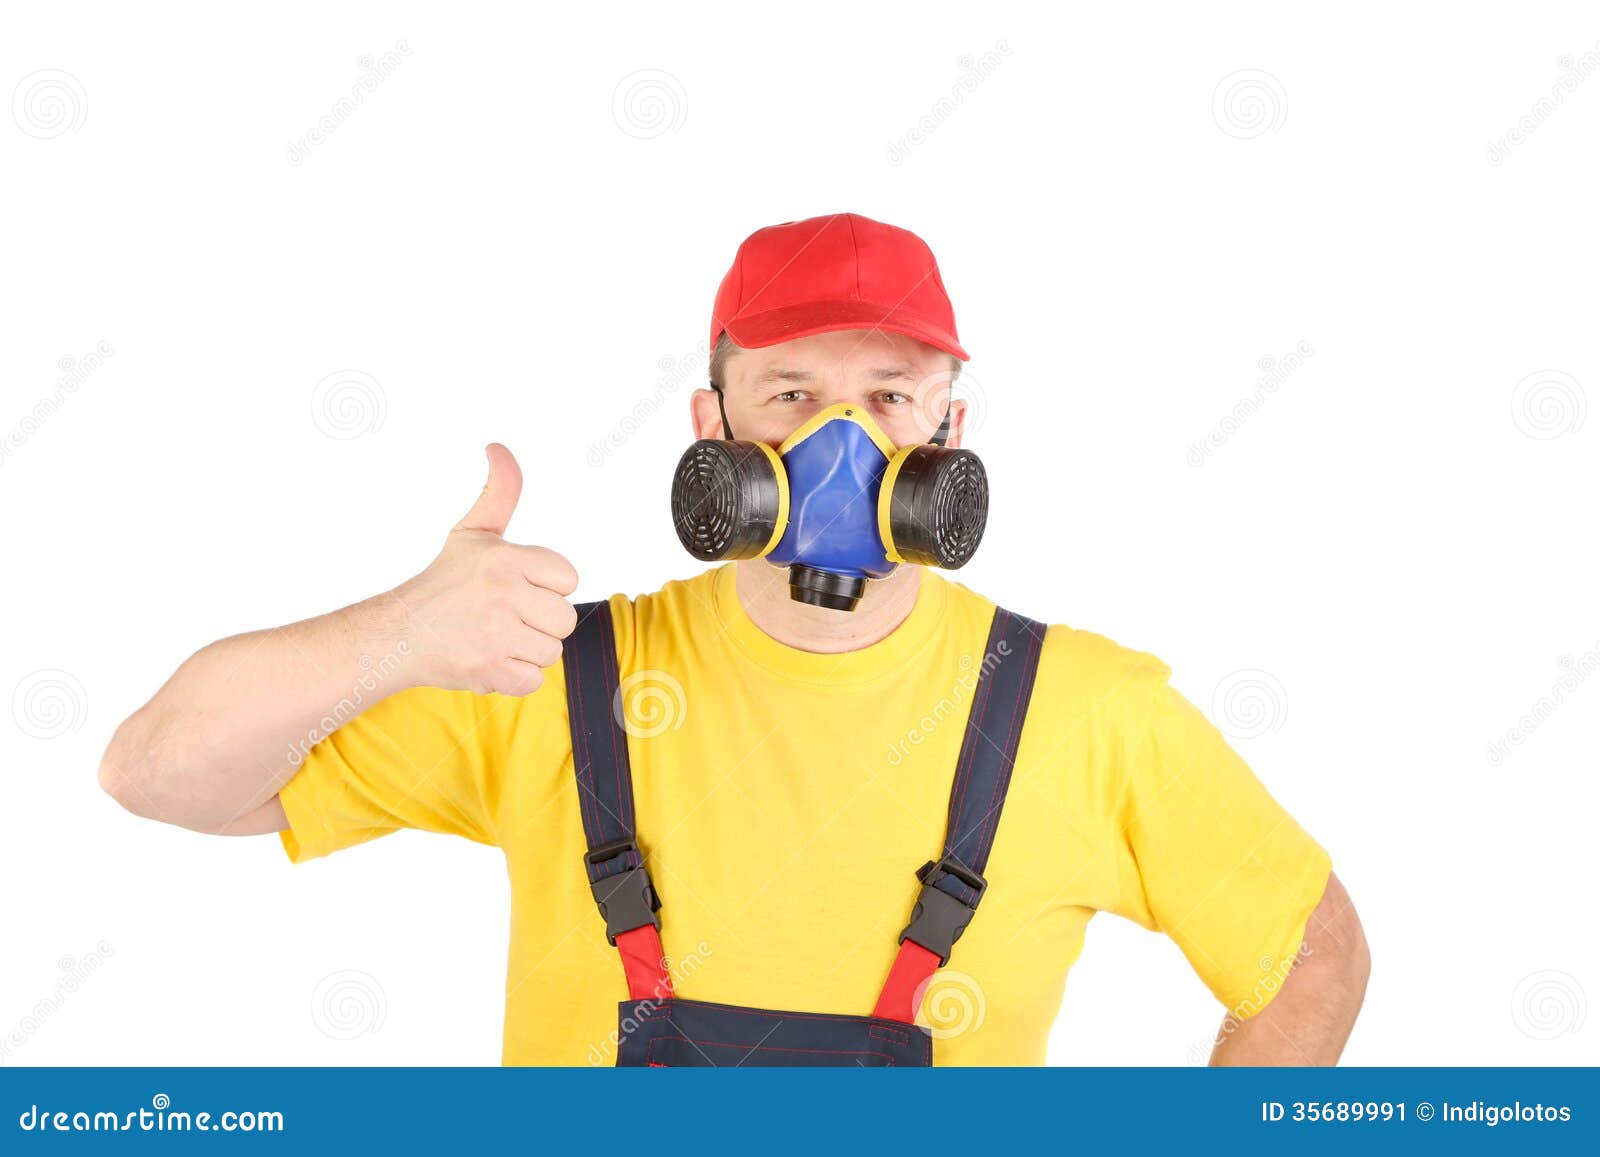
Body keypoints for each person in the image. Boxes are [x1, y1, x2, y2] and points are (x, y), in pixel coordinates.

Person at [100, 212, 1369, 1066]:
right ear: (714, 425)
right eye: (793, 394)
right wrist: (396, 632)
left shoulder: (1078, 708)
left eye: (886, 399)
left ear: (948, 430)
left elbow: (1312, 952)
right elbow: (156, 773)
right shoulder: (549, 674)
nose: (844, 445)